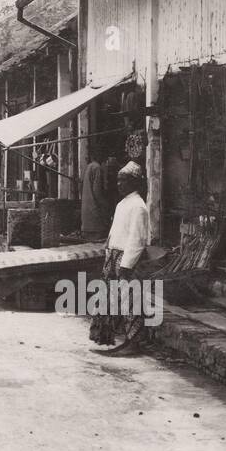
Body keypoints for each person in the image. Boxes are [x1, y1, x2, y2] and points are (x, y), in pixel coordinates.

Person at [90, 161, 149, 347]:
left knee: (130, 301)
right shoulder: (122, 204)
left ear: (134, 182)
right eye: (118, 181)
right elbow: (114, 232)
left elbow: (137, 239)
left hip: (125, 258)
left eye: (123, 181)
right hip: (113, 255)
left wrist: (126, 265)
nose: (119, 184)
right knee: (107, 298)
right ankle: (104, 335)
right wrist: (108, 250)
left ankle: (134, 341)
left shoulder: (138, 206)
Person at [80, 145, 111, 239]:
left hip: (86, 219)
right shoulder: (97, 168)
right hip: (95, 220)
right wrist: (106, 208)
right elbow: (97, 193)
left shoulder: (88, 167)